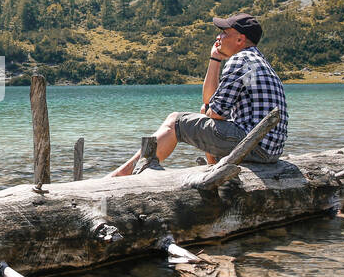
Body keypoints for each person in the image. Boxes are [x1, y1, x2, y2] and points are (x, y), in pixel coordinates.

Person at [110, 13, 288, 175]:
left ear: (240, 40)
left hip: (253, 146)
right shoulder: (258, 60)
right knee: (205, 111)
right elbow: (211, 104)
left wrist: (209, 110)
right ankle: (213, 169)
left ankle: (124, 174)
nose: (219, 37)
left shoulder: (239, 60)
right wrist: (215, 59)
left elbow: (216, 111)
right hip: (269, 150)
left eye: (225, 33)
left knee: (175, 122)